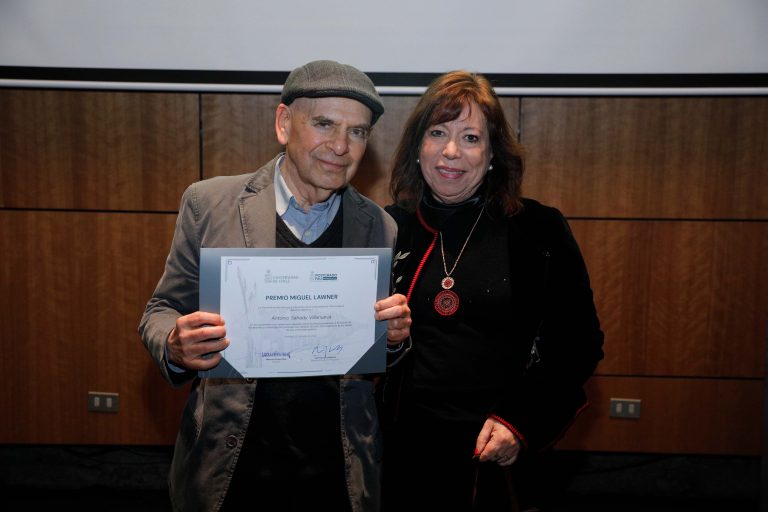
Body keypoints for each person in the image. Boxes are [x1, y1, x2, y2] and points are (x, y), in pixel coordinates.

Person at [138, 60, 411, 512]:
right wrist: (173, 342)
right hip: (233, 466)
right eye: (324, 124)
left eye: (357, 132)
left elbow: (375, 353)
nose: (341, 146)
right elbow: (161, 309)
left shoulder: (379, 226)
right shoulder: (210, 204)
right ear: (284, 123)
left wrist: (394, 336)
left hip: (337, 471)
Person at [379, 71, 605, 511]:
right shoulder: (388, 227)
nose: (451, 151)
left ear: (493, 155)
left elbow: (578, 344)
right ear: (417, 147)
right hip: (400, 449)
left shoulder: (537, 230)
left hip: (493, 447)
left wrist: (520, 423)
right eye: (437, 133)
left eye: (470, 138)